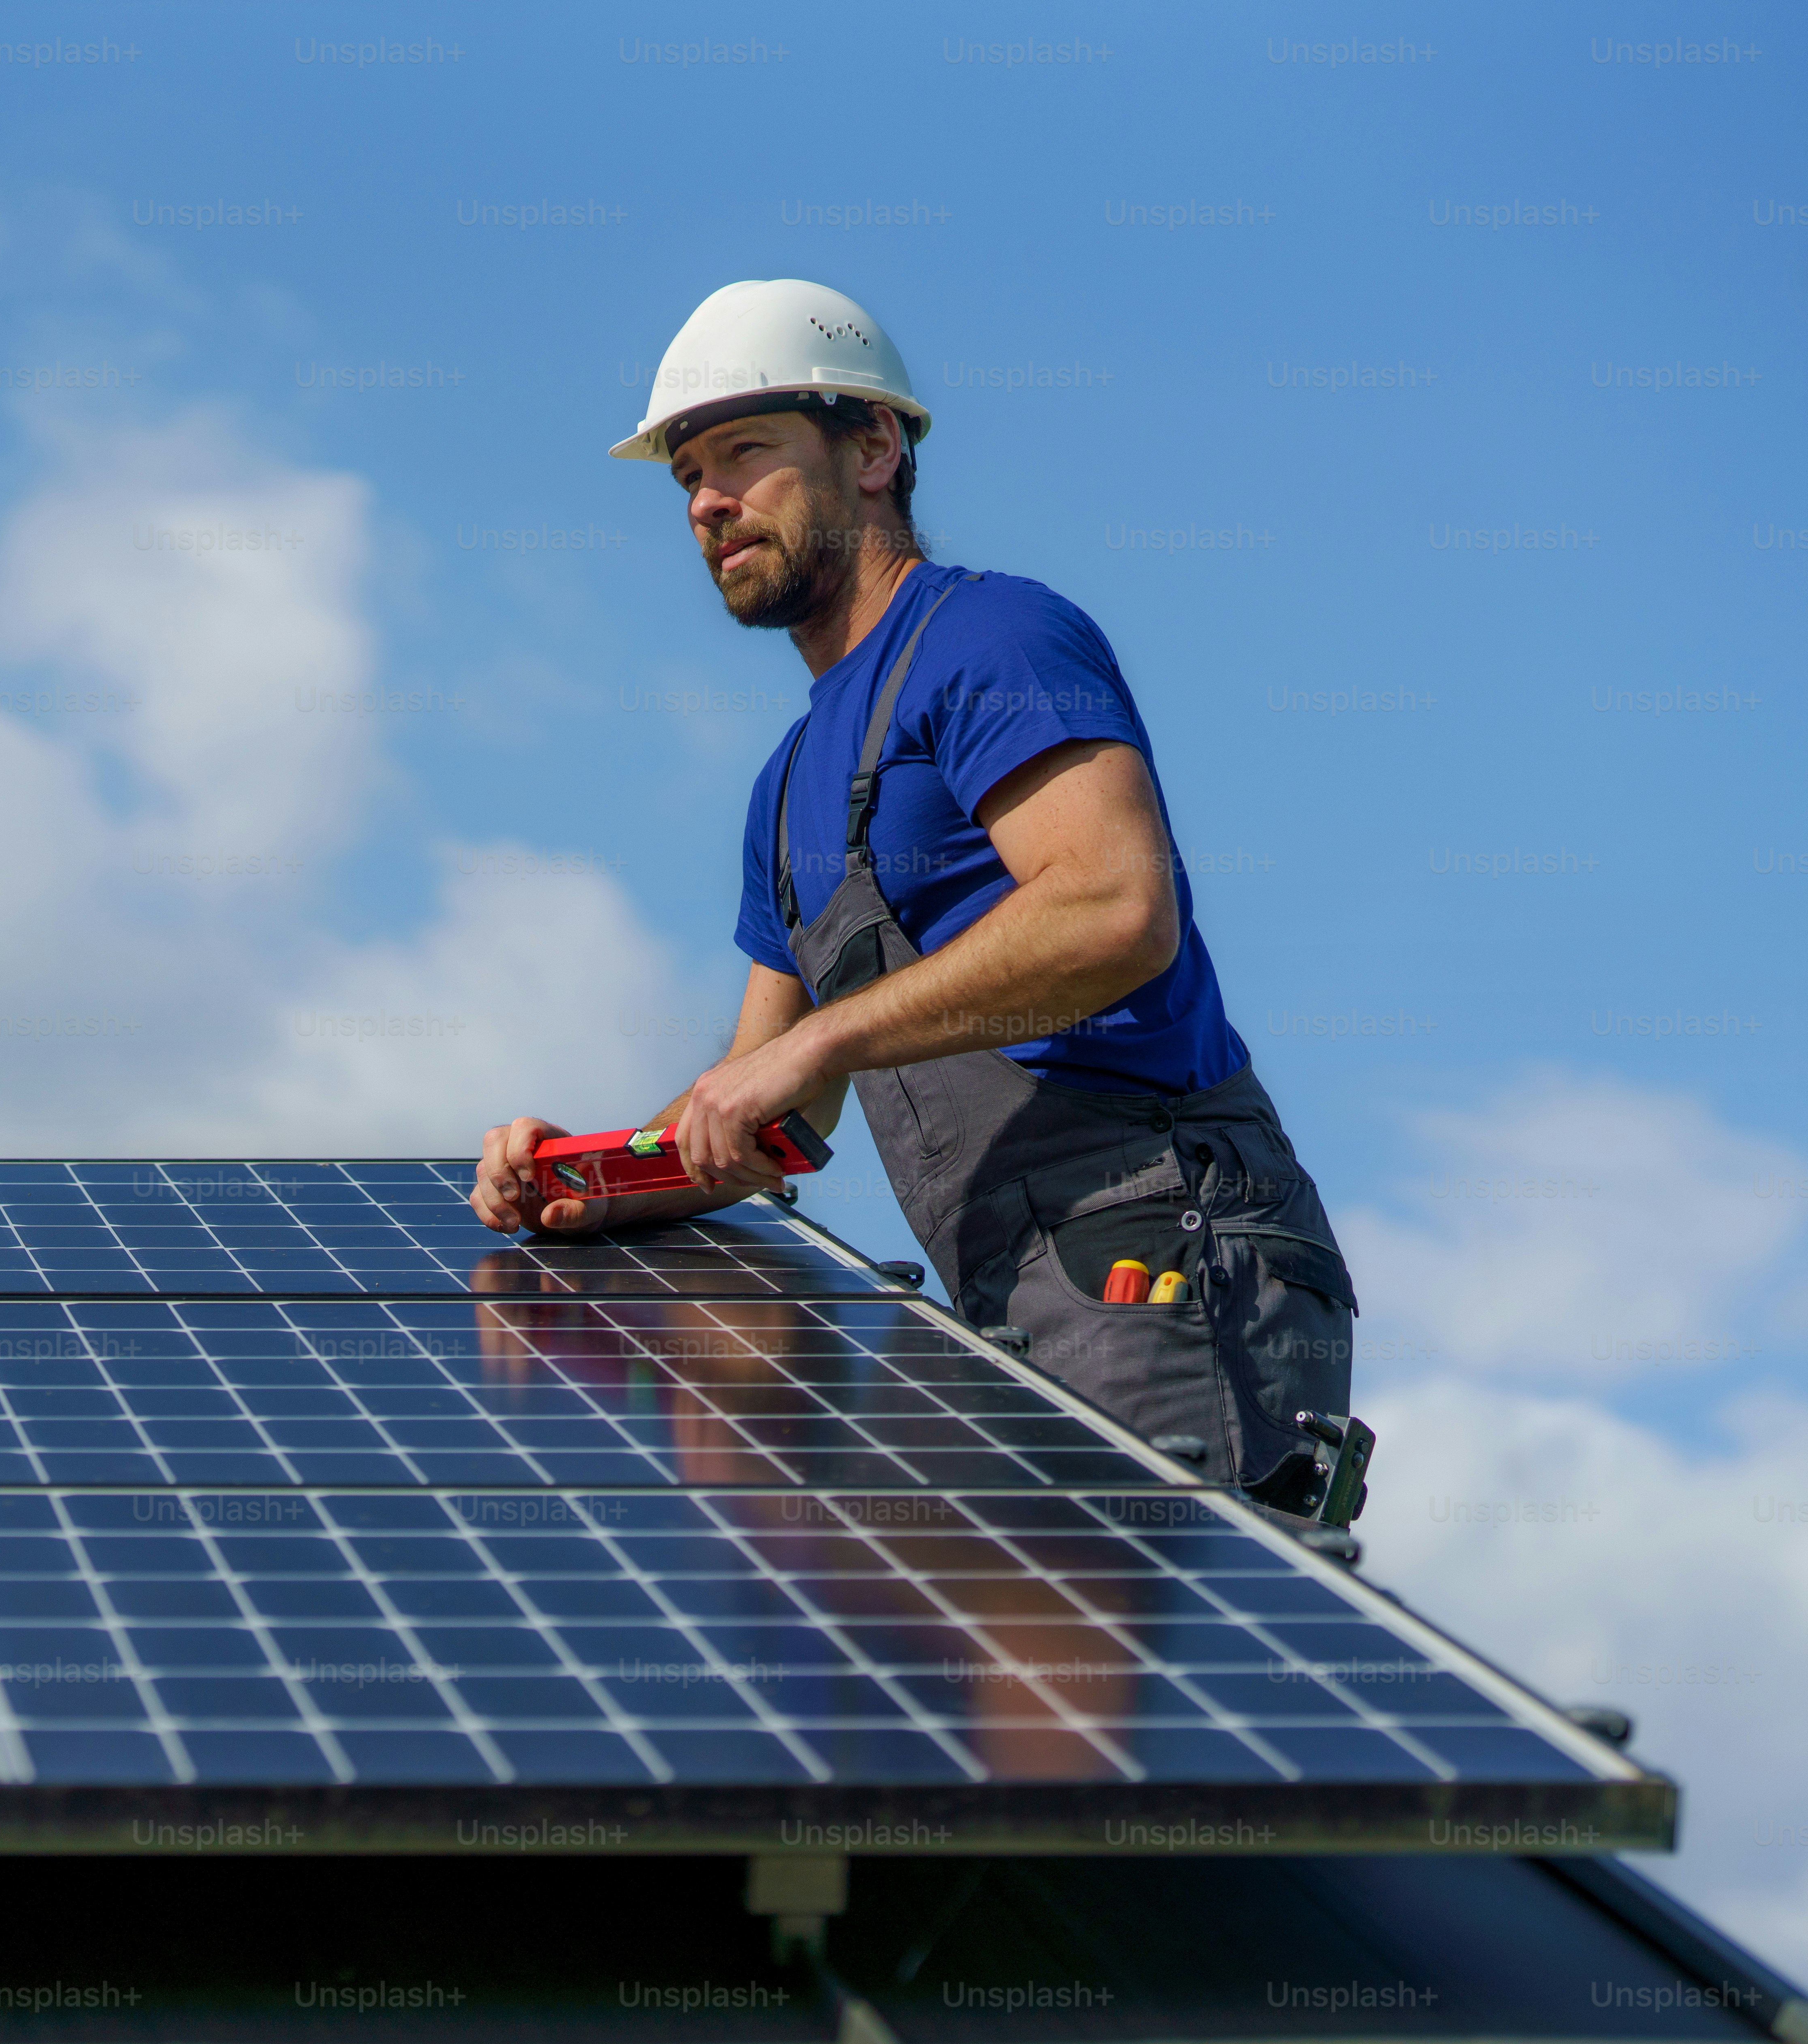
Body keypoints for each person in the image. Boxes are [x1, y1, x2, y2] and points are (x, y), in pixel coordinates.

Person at [468, 279, 1353, 1497]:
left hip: (1156, 1243)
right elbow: (762, 1109)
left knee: (1145, 1616)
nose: (709, 501)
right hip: (1010, 1289)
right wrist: (582, 1181)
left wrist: (819, 1043)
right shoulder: (787, 790)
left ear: (875, 448)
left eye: (746, 453)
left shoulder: (993, 638)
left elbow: (1116, 908)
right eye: (688, 478)